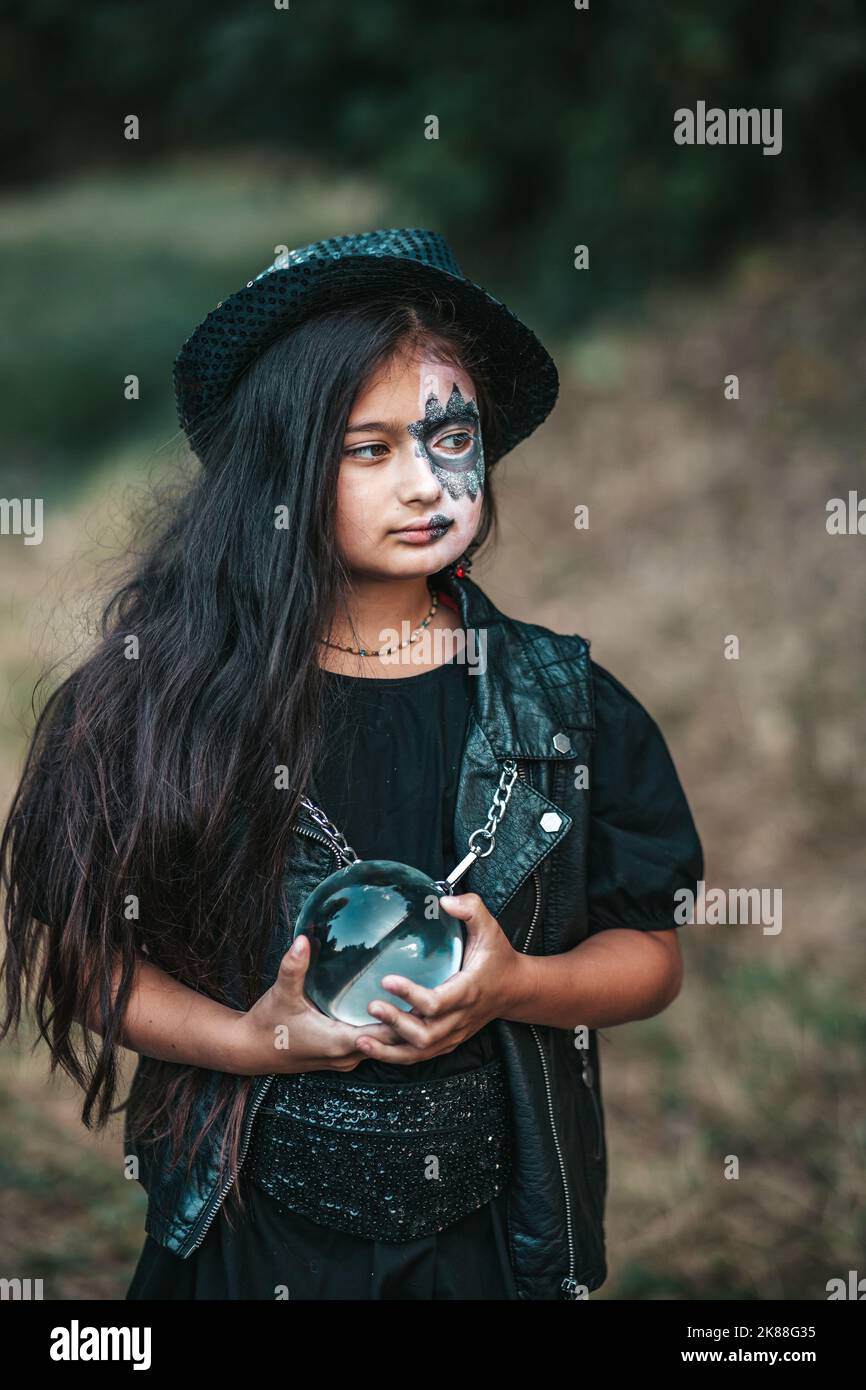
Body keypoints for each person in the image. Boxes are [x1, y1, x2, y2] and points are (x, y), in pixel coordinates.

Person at [0, 229, 703, 1301]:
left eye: (450, 436)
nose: (426, 481)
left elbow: (648, 954)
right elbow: (87, 963)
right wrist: (248, 1041)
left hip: (484, 1247)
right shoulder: (157, 700)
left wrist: (520, 983)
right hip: (244, 1239)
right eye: (367, 448)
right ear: (278, 469)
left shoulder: (564, 706)